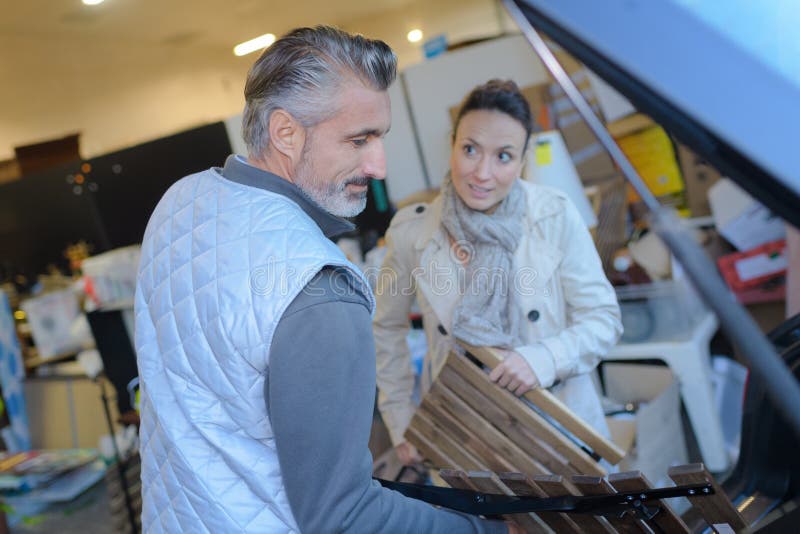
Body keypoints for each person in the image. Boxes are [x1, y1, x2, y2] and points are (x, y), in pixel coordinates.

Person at [134, 27, 509, 533]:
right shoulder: (319, 287)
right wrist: (486, 531)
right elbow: (344, 517)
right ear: (286, 131)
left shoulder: (180, 203)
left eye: (381, 138)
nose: (378, 165)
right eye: (359, 140)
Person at [374, 79, 623, 465]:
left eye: (503, 156)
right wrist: (402, 421)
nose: (482, 173)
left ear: (522, 162)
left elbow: (603, 319)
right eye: (470, 149)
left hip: (556, 426)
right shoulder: (412, 232)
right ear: (453, 144)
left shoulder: (553, 214)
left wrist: (542, 360)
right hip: (461, 430)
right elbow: (387, 329)